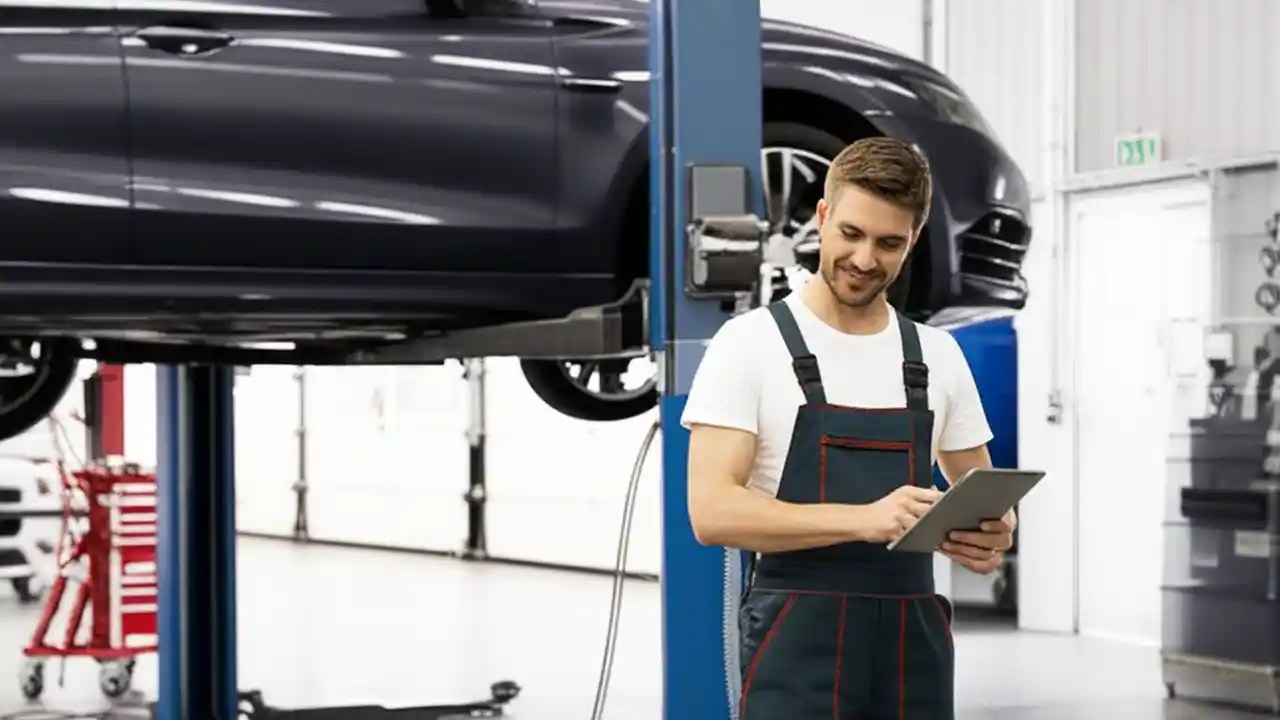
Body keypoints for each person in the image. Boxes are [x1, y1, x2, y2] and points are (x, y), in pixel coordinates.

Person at [681, 136, 1016, 719]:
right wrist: (866, 520)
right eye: (852, 235)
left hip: (915, 642)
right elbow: (712, 513)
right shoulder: (751, 344)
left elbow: (982, 495)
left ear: (912, 239)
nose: (865, 261)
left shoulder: (937, 356)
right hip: (796, 637)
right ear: (823, 215)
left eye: (889, 243)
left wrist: (991, 533)